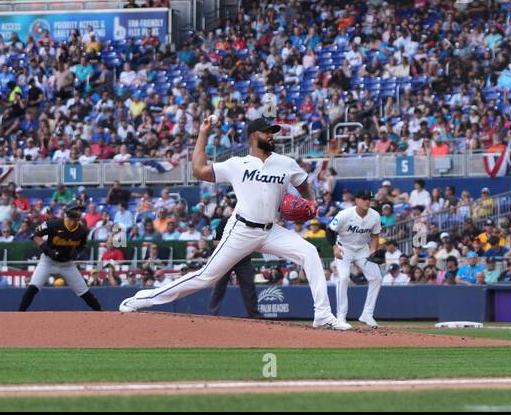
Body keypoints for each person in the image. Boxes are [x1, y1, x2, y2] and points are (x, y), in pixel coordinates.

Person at [119, 116, 349, 329]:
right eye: (267, 132)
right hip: (241, 229)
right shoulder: (236, 164)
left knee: (309, 252)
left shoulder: (285, 163)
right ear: (253, 136)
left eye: (273, 132)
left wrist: (310, 201)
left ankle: (322, 315)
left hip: (271, 231)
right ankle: (143, 298)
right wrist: (202, 133)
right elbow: (199, 170)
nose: (272, 135)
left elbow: (302, 184)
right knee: (205, 277)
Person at [18, 202, 103, 311]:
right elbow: (35, 235)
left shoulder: (82, 230)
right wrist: (47, 250)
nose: (79, 212)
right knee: (33, 287)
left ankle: (101, 312)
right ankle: (19, 313)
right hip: (48, 262)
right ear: (69, 211)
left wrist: (76, 252)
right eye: (77, 209)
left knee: (84, 291)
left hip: (67, 264)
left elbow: (82, 245)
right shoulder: (54, 224)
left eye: (80, 210)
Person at [330, 190, 383, 328]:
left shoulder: (375, 216)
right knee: (343, 278)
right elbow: (329, 230)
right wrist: (335, 248)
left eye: (369, 199)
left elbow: (375, 235)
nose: (367, 201)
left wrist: (373, 251)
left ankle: (367, 314)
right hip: (344, 249)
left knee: (376, 277)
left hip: (362, 250)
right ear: (357, 200)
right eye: (364, 198)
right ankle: (340, 317)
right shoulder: (345, 214)